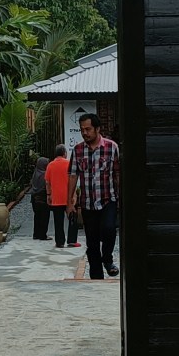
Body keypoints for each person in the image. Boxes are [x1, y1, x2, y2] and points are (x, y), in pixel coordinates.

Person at [68, 112, 120, 280]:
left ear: (97, 129)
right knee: (92, 244)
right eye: (82, 130)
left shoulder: (112, 147)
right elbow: (73, 176)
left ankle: (107, 259)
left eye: (88, 129)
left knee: (109, 229)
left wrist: (120, 197)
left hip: (108, 199)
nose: (85, 133)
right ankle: (96, 277)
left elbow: (117, 174)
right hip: (88, 203)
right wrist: (70, 201)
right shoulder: (77, 150)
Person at [45, 145, 75, 247]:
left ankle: (60, 242)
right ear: (64, 153)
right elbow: (73, 180)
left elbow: (47, 182)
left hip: (56, 198)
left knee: (58, 222)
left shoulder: (50, 165)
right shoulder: (69, 164)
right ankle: (72, 240)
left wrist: (49, 195)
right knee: (72, 218)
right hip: (68, 197)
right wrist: (74, 196)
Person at [28, 152, 52, 240]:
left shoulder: (35, 173)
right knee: (44, 217)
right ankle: (42, 235)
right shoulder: (44, 174)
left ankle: (36, 234)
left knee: (37, 216)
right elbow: (46, 186)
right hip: (42, 198)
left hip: (34, 198)